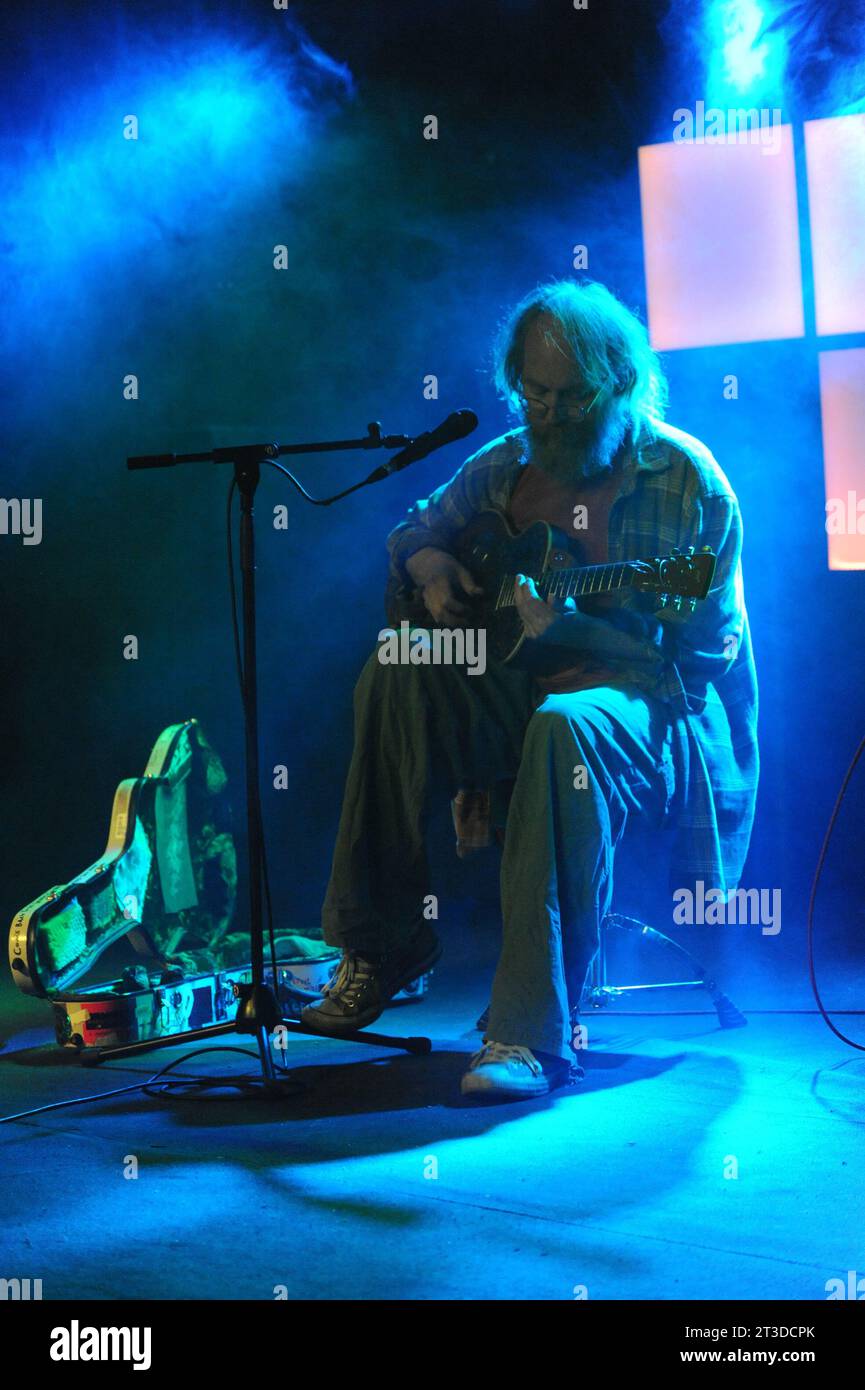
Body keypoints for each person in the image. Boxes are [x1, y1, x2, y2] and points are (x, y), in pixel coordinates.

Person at [301, 279, 758, 1100]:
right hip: (518, 687)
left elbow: (702, 656)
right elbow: (413, 529)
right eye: (532, 394)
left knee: (563, 725)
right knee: (397, 662)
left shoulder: (686, 481)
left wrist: (581, 629)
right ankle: (384, 942)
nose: (548, 415)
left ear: (620, 385)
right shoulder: (506, 463)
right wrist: (435, 568)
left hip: (643, 708)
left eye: (570, 398)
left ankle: (527, 1033)